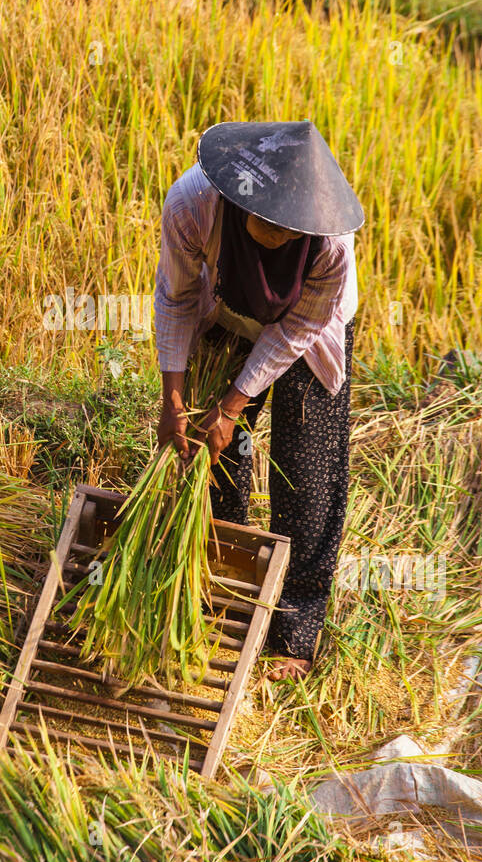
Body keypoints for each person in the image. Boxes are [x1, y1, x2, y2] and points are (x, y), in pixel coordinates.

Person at [154, 120, 364, 682]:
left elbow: (294, 333)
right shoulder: (193, 203)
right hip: (224, 311)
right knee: (216, 456)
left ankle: (293, 632)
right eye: (264, 217)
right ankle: (223, 588)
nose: (273, 231)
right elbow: (174, 298)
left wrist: (233, 402)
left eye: (287, 226)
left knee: (307, 474)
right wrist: (174, 397)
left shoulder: (331, 250)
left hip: (308, 332)